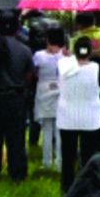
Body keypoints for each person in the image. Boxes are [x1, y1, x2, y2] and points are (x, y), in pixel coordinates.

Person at [0, 12, 33, 182]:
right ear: (17, 28)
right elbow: (29, 75)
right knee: (16, 138)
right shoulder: (24, 50)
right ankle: (17, 173)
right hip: (15, 98)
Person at [57, 37, 100, 192]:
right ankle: (87, 186)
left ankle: (67, 186)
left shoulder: (63, 64)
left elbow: (67, 59)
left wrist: (69, 54)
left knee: (68, 156)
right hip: (90, 118)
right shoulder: (96, 67)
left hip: (67, 117)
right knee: (88, 155)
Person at [32, 26, 65, 170]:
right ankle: (60, 162)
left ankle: (46, 162)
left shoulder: (39, 56)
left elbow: (35, 72)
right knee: (59, 129)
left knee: (46, 129)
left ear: (47, 39)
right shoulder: (66, 56)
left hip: (44, 91)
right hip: (61, 91)